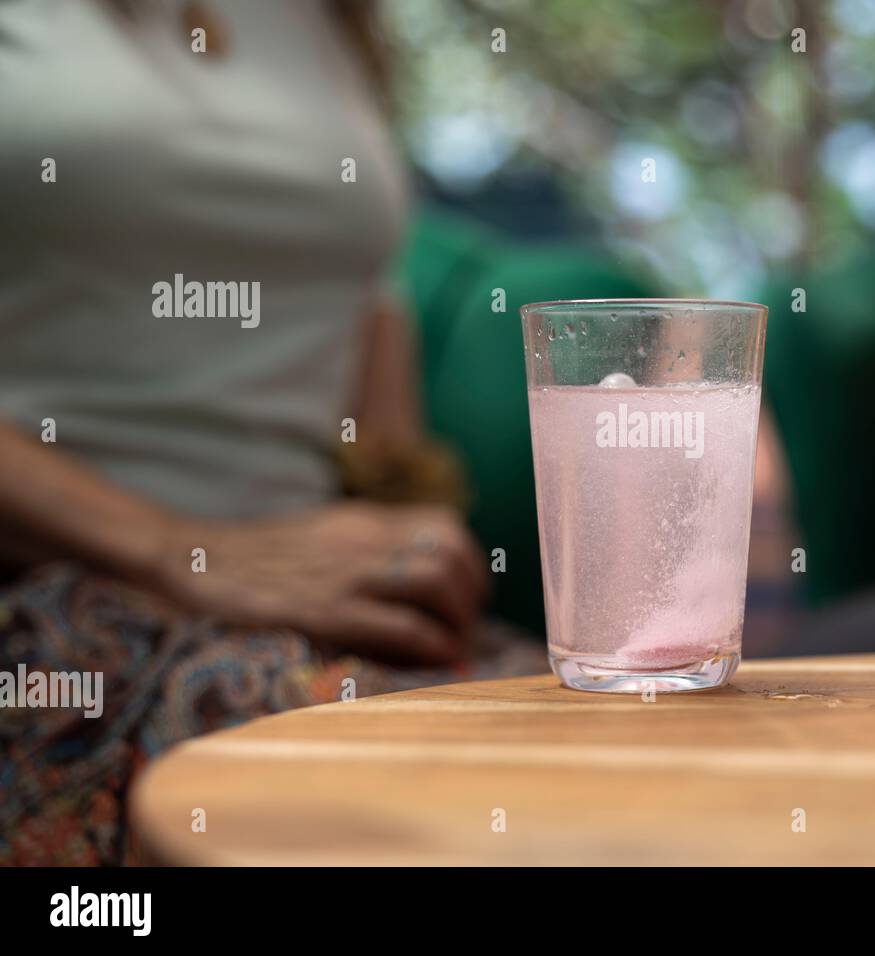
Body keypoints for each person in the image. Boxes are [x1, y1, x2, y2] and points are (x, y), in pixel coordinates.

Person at [0, 0, 542, 865]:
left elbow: (367, 320)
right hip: (55, 591)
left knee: (633, 747)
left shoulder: (331, 19)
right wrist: (184, 549)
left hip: (298, 599)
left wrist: (408, 541)